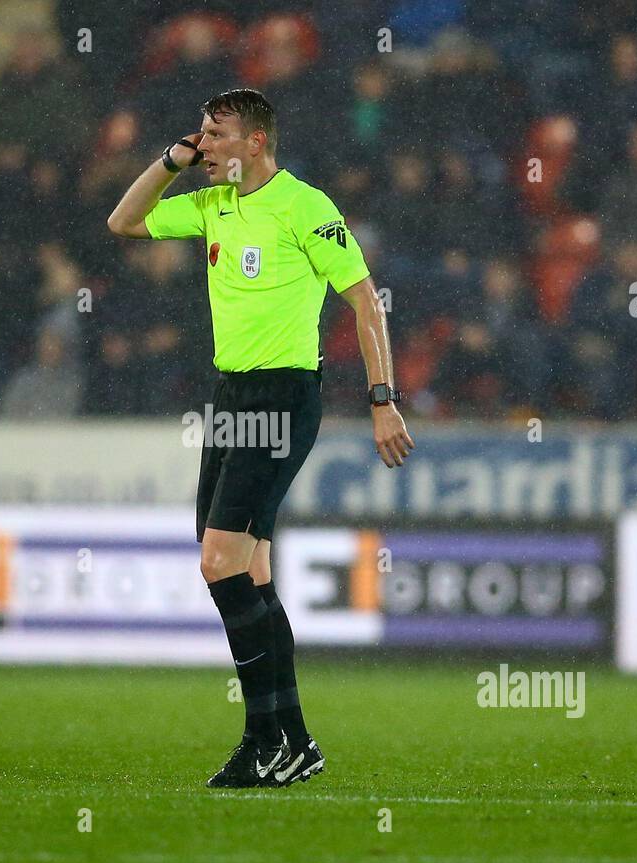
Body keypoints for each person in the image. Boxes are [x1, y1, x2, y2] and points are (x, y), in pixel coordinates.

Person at [108, 88, 414, 788]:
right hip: (232, 397)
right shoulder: (212, 202)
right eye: (201, 132)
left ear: (256, 142)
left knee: (220, 560)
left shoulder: (306, 207)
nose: (203, 143)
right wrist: (171, 160)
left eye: (215, 134)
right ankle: (291, 741)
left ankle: (264, 738)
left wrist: (382, 401)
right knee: (245, 572)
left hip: (281, 399)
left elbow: (365, 299)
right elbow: (124, 221)